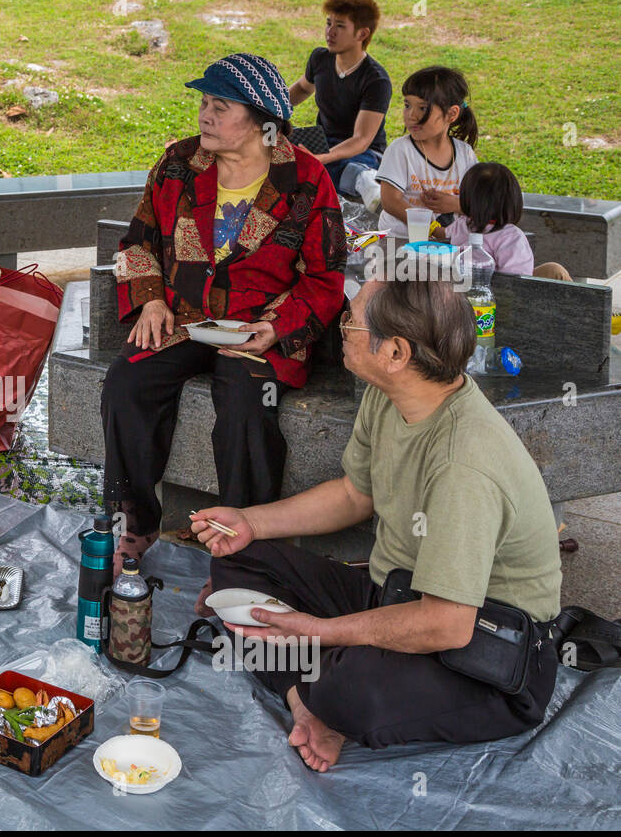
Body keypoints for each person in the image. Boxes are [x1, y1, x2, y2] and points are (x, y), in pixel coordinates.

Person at [190, 274, 562, 773]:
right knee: (237, 557)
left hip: (490, 650)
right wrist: (250, 523)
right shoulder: (389, 394)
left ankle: (318, 695)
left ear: (396, 353)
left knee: (346, 687)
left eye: (351, 321)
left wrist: (321, 632)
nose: (341, 327)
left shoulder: (462, 464)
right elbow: (354, 493)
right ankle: (306, 704)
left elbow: (446, 624)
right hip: (395, 592)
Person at [104, 53, 347, 567]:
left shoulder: (305, 180)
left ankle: (244, 548)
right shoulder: (177, 165)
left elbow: (325, 277)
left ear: (263, 121)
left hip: (258, 331)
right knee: (127, 381)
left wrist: (275, 327)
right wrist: (149, 300)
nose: (204, 115)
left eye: (220, 105)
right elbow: (135, 245)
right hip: (181, 319)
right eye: (203, 102)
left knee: (245, 408)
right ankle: (137, 519)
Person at [287, 0, 391, 196]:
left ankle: (365, 181)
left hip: (363, 151)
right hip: (322, 140)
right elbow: (301, 89)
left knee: (342, 169)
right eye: (328, 23)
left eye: (340, 26)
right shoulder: (320, 58)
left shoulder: (376, 80)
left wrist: (321, 159)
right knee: (271, 144)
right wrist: (268, 108)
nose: (330, 32)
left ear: (362, 34)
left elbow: (361, 139)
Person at [375, 66, 479, 238]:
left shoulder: (465, 154)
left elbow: (478, 200)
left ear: (451, 114)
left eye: (422, 108)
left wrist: (456, 204)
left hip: (445, 246)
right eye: (407, 105)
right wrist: (433, 229)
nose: (411, 115)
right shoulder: (401, 150)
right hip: (399, 243)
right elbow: (390, 201)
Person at [444, 162, 573, 280]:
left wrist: (432, 228)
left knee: (554, 269)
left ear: (467, 199)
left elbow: (443, 234)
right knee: (555, 271)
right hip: (497, 295)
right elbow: (516, 283)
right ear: (512, 201)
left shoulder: (463, 224)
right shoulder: (511, 237)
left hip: (462, 286)